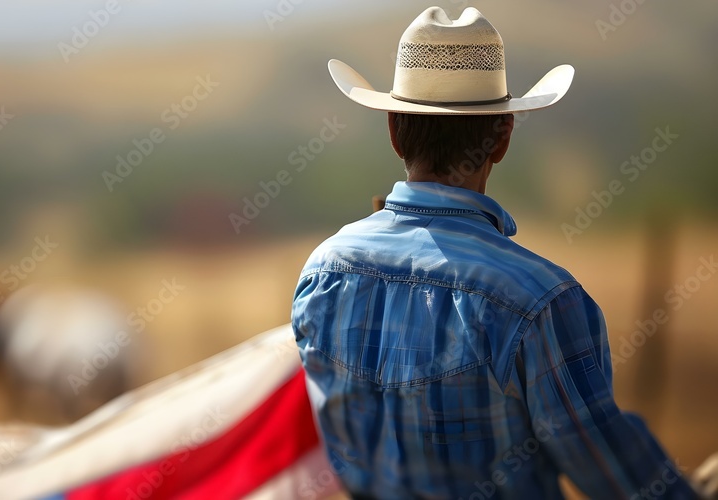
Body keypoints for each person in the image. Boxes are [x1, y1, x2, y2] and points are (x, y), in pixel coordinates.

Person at [292, 7, 716, 499]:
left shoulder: (324, 272)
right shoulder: (538, 301)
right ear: (502, 138)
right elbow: (618, 479)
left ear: (393, 131)